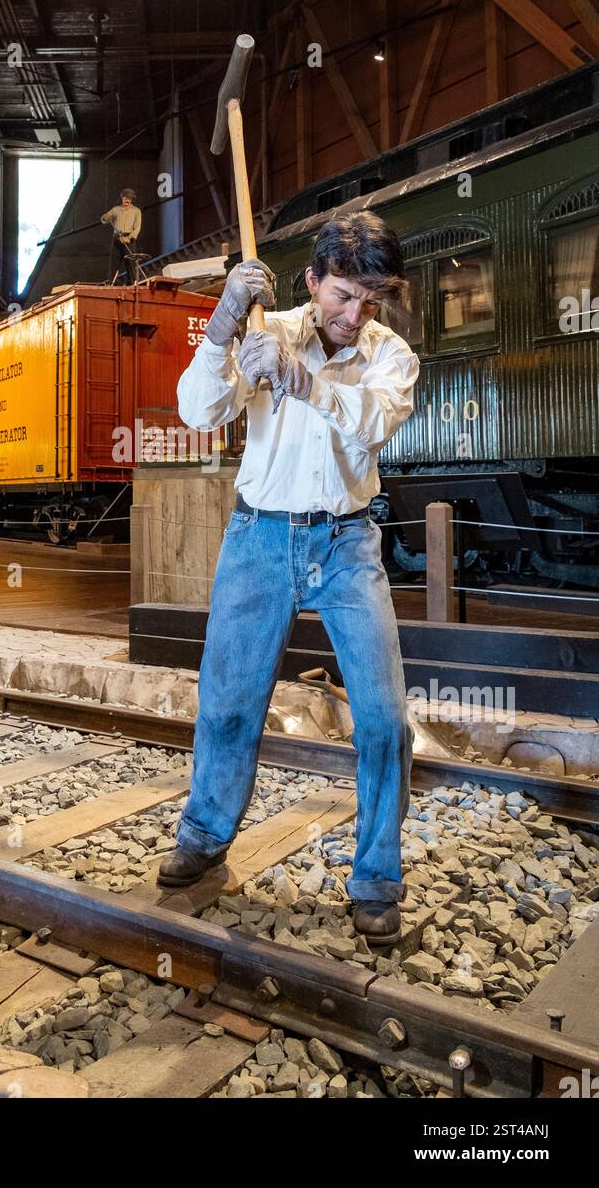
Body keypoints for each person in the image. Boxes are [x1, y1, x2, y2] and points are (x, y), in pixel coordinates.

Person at [158, 210, 421, 946]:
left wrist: (303, 384)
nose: (354, 314)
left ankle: (375, 878)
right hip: (258, 537)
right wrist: (221, 327)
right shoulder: (266, 329)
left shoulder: (390, 355)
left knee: (382, 718)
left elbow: (371, 423)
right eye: (341, 295)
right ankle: (204, 838)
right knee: (230, 703)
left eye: (370, 299)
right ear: (312, 280)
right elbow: (198, 411)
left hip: (346, 544)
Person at [101, 188, 142, 283]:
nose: (127, 200)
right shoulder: (116, 210)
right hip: (117, 239)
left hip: (129, 239)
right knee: (114, 264)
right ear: (122, 198)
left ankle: (132, 284)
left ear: (132, 200)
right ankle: (111, 284)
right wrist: (104, 218)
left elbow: (137, 228)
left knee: (130, 264)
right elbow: (105, 219)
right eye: (125, 198)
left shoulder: (136, 211)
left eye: (129, 198)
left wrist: (128, 238)